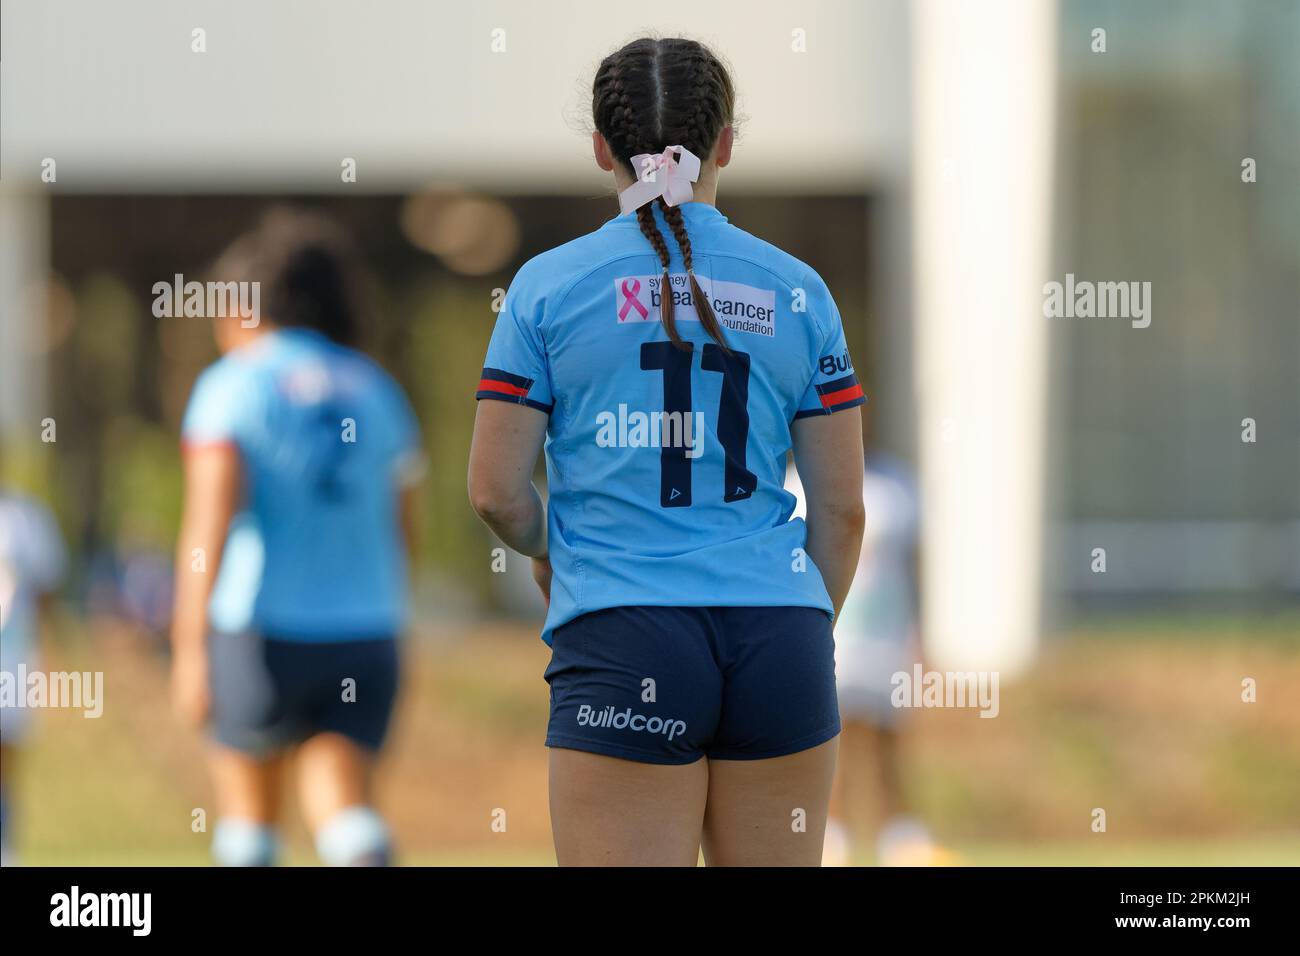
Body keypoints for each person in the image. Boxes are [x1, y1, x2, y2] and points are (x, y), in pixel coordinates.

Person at [468, 37, 866, 866]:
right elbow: (843, 510)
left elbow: (495, 492)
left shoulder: (546, 286)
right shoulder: (800, 288)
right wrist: (796, 626)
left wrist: (555, 549)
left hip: (625, 632)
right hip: (780, 638)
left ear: (601, 148)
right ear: (725, 142)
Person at [170, 208, 424, 866]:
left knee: (250, 818)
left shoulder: (231, 387)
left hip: (258, 632)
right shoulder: (379, 392)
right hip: (366, 631)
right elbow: (405, 533)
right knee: (345, 805)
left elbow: (208, 529)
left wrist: (189, 648)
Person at [0, 486, 66, 866]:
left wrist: (51, 660)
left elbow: (46, 595)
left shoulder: (27, 517)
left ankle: (5, 849)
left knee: (6, 758)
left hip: (12, 658)